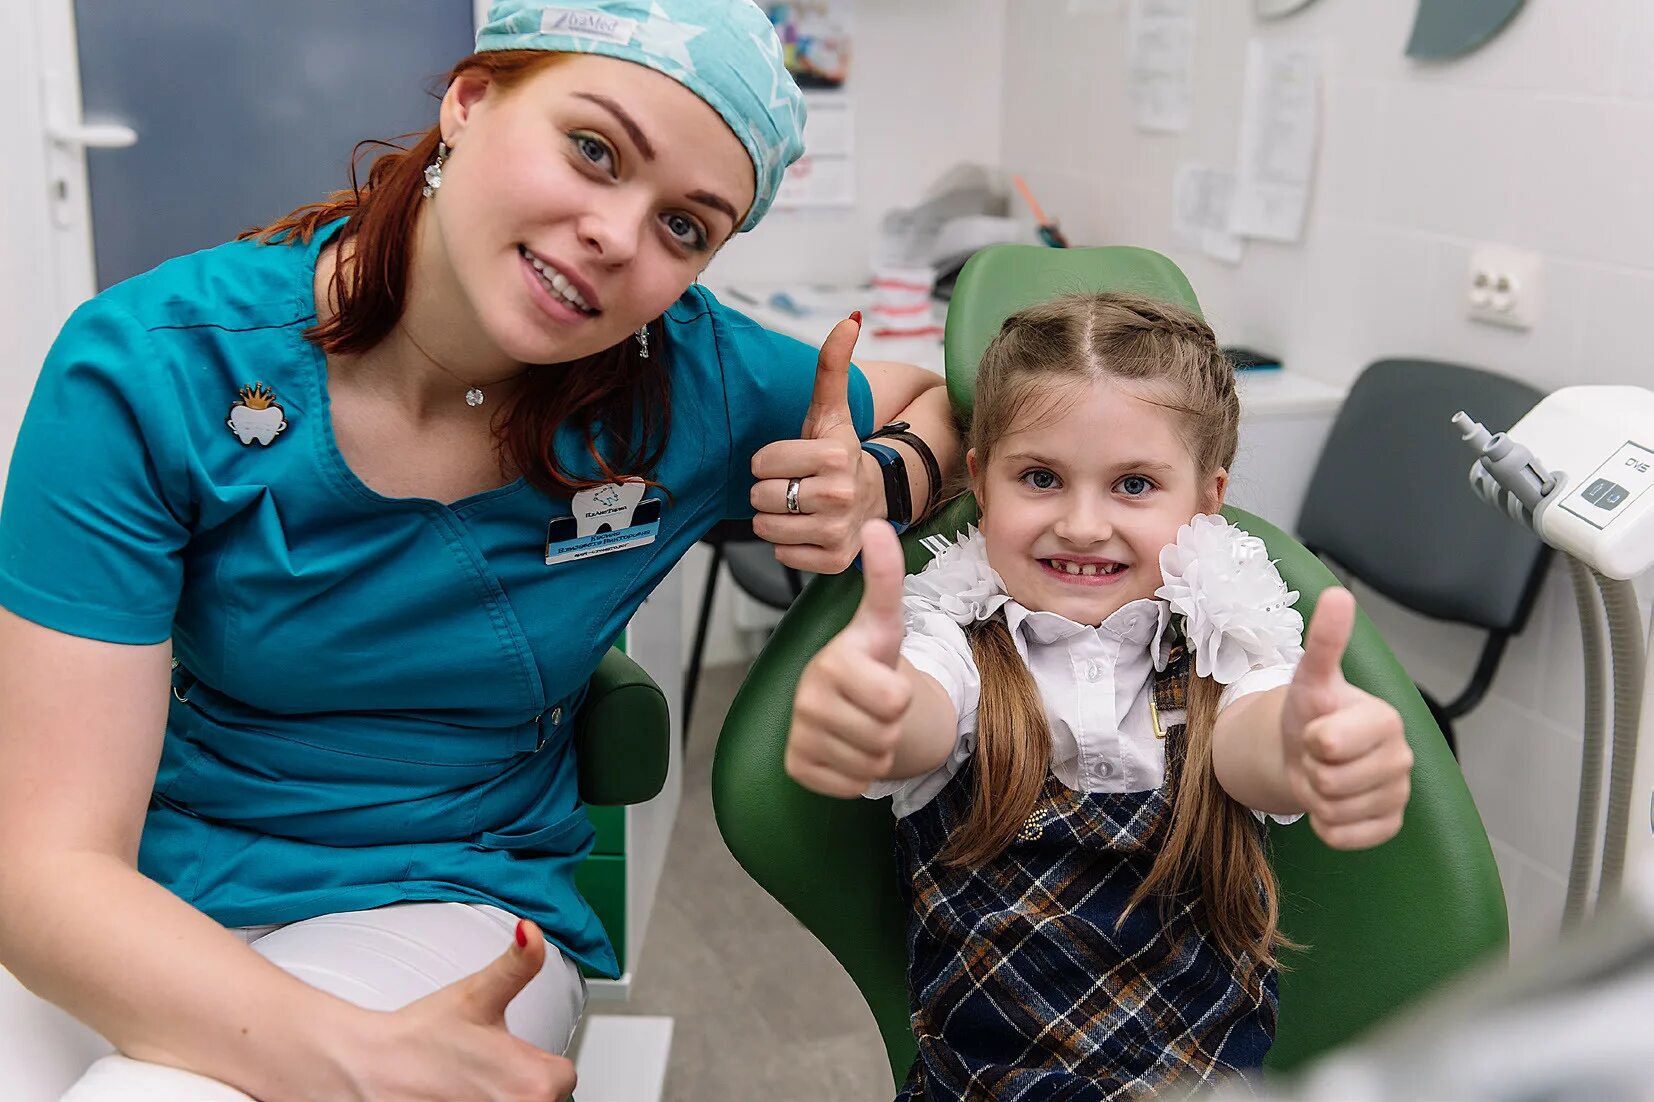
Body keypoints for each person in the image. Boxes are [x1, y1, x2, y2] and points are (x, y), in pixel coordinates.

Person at [0, 2, 959, 1099]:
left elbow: (946, 397)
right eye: (593, 150)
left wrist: (886, 477)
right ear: (468, 103)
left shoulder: (691, 382)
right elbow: (46, 869)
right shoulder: (150, 371)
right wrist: (352, 1058)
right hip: (152, 881)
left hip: (446, 900)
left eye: (685, 227)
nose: (616, 235)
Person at [786, 293, 1414, 1099]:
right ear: (979, 480)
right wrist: (874, 711)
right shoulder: (957, 640)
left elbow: (1259, 738)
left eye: (1134, 484)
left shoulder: (1230, 646)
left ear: (1207, 496)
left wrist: (1312, 744)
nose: (1083, 525)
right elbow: (920, 711)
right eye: (1041, 478)